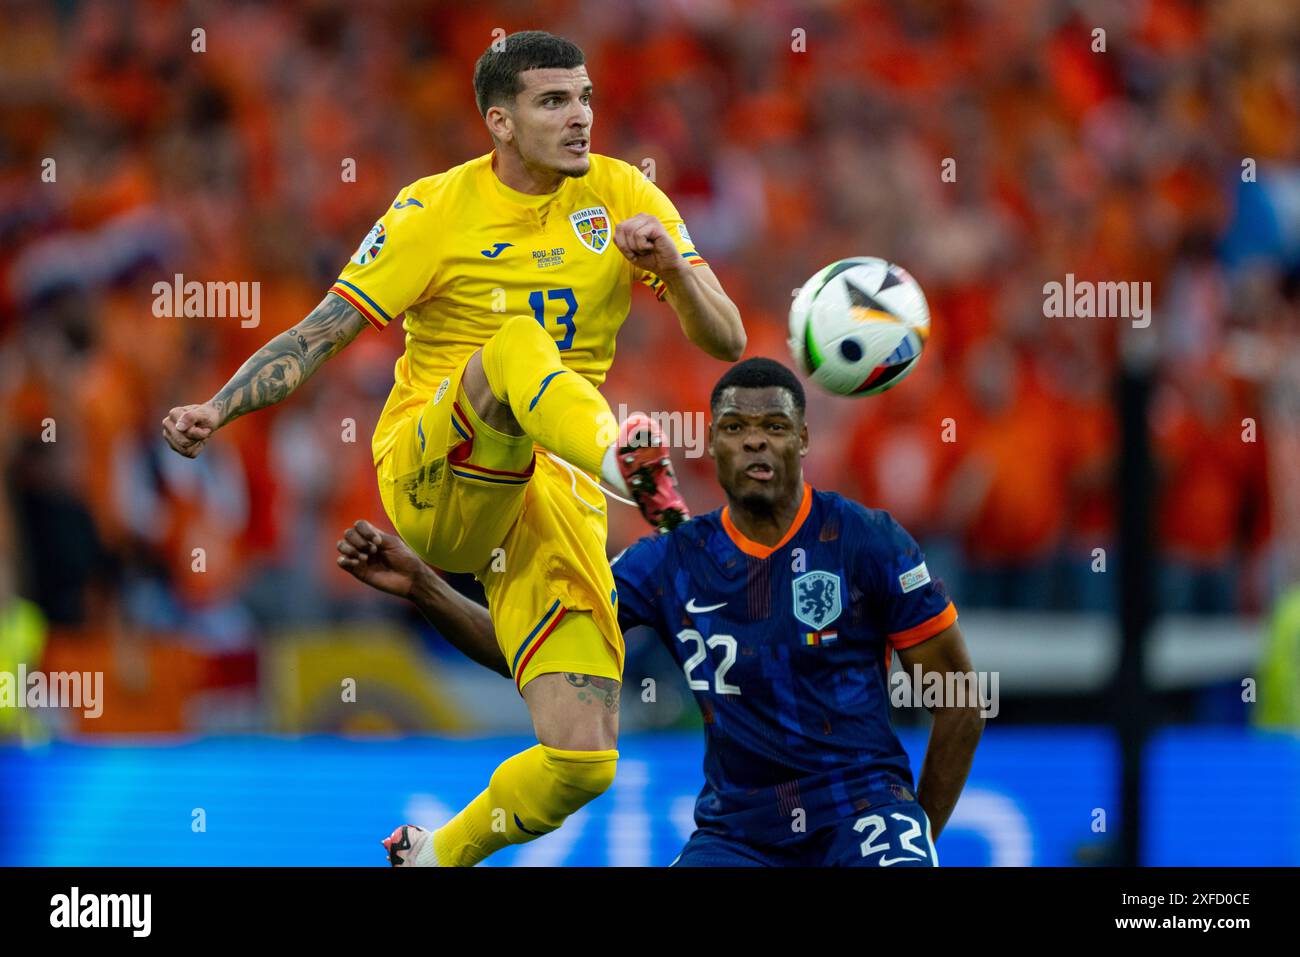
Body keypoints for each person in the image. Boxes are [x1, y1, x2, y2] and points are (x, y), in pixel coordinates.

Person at [162, 30, 744, 868]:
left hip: (550, 489)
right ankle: (626, 465)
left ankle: (434, 856)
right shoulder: (432, 209)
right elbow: (323, 332)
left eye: (584, 98)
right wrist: (219, 407)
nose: (579, 117)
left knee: (584, 757)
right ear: (500, 122)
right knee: (515, 343)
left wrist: (674, 269)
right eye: (553, 102)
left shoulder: (623, 193)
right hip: (434, 470)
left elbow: (726, 338)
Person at [338, 358, 983, 866]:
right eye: (735, 428)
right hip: (740, 833)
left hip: (864, 811)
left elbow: (958, 696)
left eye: (775, 427)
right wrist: (426, 587)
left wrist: (917, 827)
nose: (755, 441)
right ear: (712, 444)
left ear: (804, 439)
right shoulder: (671, 560)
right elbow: (534, 652)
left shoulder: (867, 540)